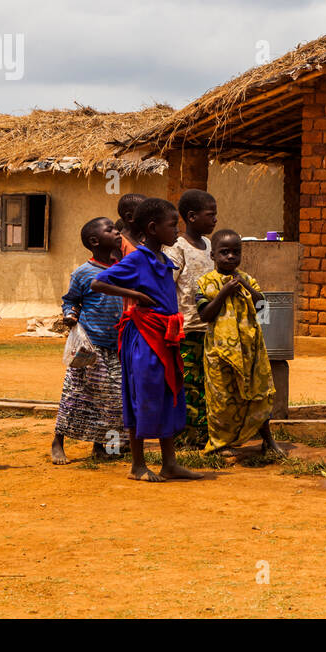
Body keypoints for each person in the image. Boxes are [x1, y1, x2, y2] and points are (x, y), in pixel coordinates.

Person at [90, 197, 203, 482]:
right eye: (172, 225)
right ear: (152, 228)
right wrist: (137, 296)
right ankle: (137, 465)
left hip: (166, 336)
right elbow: (98, 282)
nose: (176, 230)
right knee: (142, 396)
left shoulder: (164, 259)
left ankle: (170, 463)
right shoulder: (138, 259)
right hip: (143, 338)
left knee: (167, 394)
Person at [195, 228, 283, 459]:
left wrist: (247, 287)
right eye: (224, 252)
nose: (231, 257)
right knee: (222, 398)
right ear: (213, 255)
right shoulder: (205, 283)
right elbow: (204, 315)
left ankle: (268, 440)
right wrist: (223, 293)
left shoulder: (247, 279)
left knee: (258, 394)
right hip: (219, 352)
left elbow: (263, 307)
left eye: (236, 252)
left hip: (250, 350)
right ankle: (219, 444)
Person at [51, 217, 128, 464]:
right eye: (111, 230)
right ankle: (58, 442)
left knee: (113, 400)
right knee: (76, 395)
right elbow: (70, 299)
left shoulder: (122, 269)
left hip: (116, 347)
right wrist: (70, 315)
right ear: (95, 241)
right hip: (90, 349)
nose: (117, 233)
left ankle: (101, 444)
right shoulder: (83, 273)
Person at [166, 189, 218, 449]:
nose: (215, 220)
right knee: (187, 383)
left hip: (209, 328)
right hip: (186, 329)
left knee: (207, 383)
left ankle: (204, 434)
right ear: (192, 216)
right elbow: (168, 286)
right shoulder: (178, 249)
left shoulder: (209, 246)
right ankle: (184, 437)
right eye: (211, 215)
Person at [115, 193, 146, 258]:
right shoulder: (119, 243)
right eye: (146, 214)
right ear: (130, 217)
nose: (151, 218)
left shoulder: (143, 243)